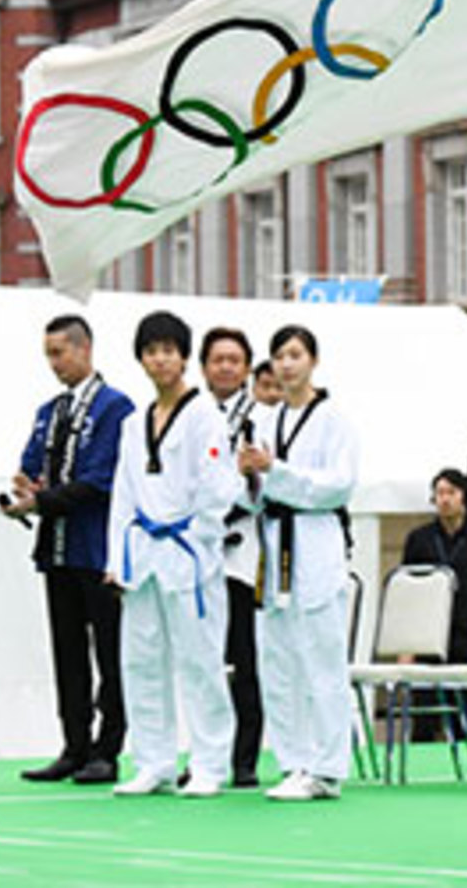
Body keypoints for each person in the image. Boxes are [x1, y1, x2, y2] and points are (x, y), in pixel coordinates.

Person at [106, 311, 240, 797]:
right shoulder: (131, 423)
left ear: (184, 357)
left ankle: (209, 763)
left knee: (200, 661)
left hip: (188, 552)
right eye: (151, 351)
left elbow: (218, 487)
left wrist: (200, 538)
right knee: (140, 660)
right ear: (140, 358)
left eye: (168, 350)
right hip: (142, 553)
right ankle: (154, 761)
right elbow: (122, 491)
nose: (160, 359)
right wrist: (116, 559)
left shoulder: (206, 415)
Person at [7, 314, 135, 785]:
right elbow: (30, 464)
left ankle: (108, 747)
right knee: (67, 652)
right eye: (49, 355)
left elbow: (102, 480)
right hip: (56, 548)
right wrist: (27, 488)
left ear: (85, 349)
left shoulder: (114, 409)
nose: (54, 364)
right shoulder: (50, 411)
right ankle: (74, 745)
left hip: (98, 548)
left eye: (59, 353)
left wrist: (42, 498)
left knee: (110, 652)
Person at [237, 324, 359, 801]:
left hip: (316, 537)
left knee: (322, 658)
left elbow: (338, 484)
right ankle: (293, 761)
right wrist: (249, 478)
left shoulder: (335, 419)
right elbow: (249, 497)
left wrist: (277, 472)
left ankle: (328, 768)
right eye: (279, 356)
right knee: (278, 660)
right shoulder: (265, 420)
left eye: (295, 355)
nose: (286, 364)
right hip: (273, 543)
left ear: (313, 360)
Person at [202, 326, 264, 787]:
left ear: (245, 369)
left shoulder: (260, 418)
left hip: (243, 551)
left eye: (233, 360)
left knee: (245, 660)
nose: (224, 367)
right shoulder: (193, 417)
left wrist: (230, 493)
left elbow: (264, 486)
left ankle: (245, 757)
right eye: (217, 359)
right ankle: (207, 753)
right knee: (202, 660)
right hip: (201, 551)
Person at [401, 468, 467, 741]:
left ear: (464, 497)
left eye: (451, 492)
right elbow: (408, 592)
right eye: (439, 493)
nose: (445, 499)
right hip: (426, 632)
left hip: (466, 630)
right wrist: (406, 648)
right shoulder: (419, 539)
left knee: (460, 709)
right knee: (423, 714)